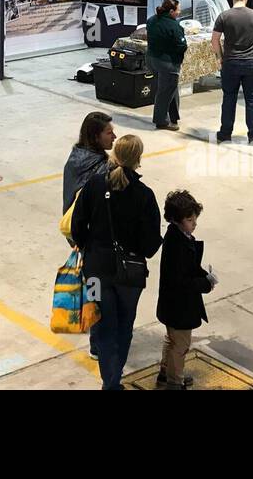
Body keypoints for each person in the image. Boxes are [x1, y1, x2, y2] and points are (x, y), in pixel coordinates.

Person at [69, 135, 162, 390]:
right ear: (138, 159)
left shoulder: (95, 185)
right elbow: (151, 243)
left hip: (95, 270)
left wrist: (89, 246)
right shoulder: (144, 195)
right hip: (129, 277)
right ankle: (112, 381)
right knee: (123, 326)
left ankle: (101, 359)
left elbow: (77, 225)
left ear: (115, 155)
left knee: (100, 316)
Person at [155, 189, 215, 390]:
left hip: (172, 305)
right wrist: (205, 283)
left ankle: (166, 373)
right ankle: (174, 381)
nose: (194, 223)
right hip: (179, 306)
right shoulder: (177, 244)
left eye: (195, 219)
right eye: (190, 220)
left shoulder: (178, 237)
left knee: (171, 340)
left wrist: (202, 276)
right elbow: (182, 280)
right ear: (177, 220)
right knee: (180, 346)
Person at [211, 0, 253, 145]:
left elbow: (214, 39)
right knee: (252, 99)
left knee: (229, 98)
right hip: (251, 62)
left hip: (230, 62)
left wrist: (219, 57)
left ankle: (225, 134)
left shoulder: (224, 16)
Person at [61, 111, 115, 214]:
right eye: (109, 133)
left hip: (73, 223)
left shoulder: (75, 157)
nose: (114, 136)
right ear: (95, 137)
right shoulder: (100, 167)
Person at [146, 0, 186, 130]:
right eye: (178, 10)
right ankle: (161, 121)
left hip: (152, 60)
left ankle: (173, 117)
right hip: (167, 64)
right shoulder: (174, 26)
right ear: (171, 11)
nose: (179, 12)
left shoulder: (151, 20)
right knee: (165, 92)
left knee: (169, 89)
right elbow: (182, 46)